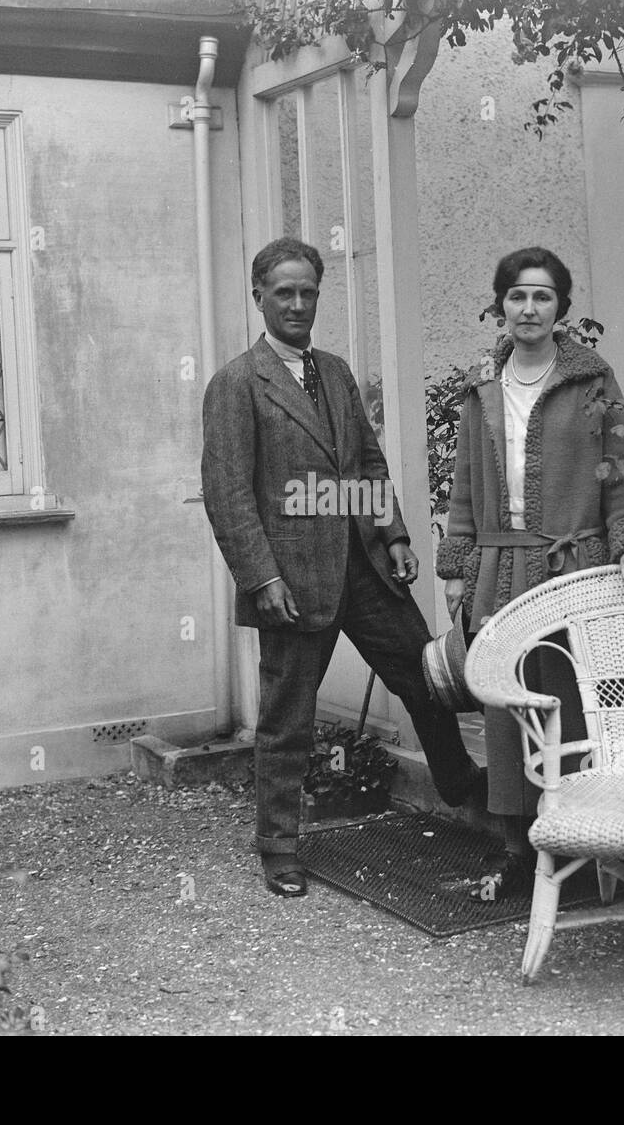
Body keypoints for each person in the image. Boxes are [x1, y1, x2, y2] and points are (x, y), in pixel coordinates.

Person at [201, 237, 486, 898]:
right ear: (260, 297)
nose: (298, 304)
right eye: (285, 293)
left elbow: (365, 461)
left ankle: (458, 784)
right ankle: (278, 846)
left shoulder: (333, 372)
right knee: (287, 716)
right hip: (293, 581)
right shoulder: (237, 383)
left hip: (364, 567)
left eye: (308, 293)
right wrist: (263, 580)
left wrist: (392, 536)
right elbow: (229, 493)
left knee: (428, 676)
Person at [436, 246, 624, 900]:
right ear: (501, 305)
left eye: (541, 296)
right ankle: (519, 850)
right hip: (500, 570)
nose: (528, 308)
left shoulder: (592, 380)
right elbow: (464, 486)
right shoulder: (483, 388)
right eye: (516, 295)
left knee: (569, 704)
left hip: (573, 568)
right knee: (507, 715)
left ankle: (585, 848)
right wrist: (457, 563)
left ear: (561, 306)